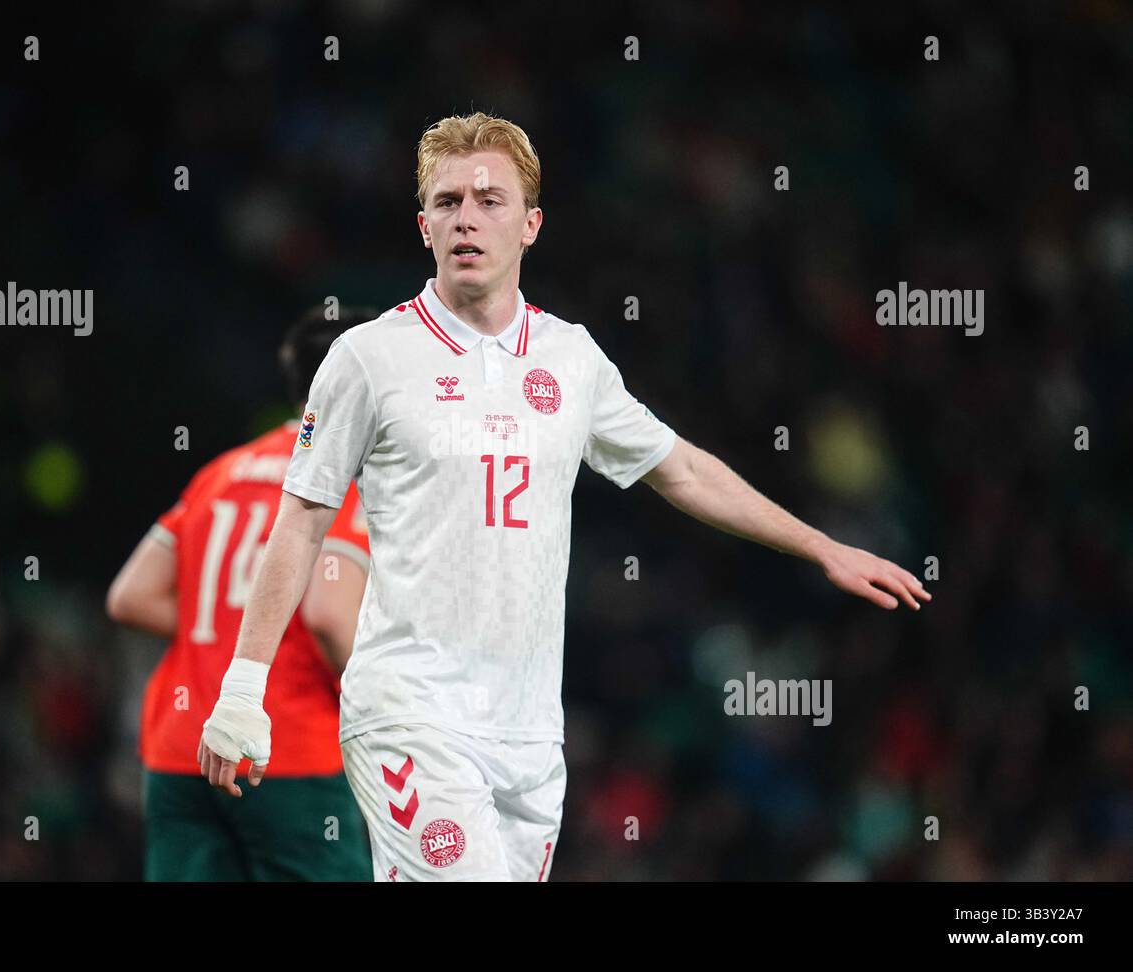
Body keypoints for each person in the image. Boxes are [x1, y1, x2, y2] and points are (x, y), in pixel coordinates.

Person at [197, 112, 932, 882]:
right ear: (423, 227)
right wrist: (243, 690)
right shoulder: (369, 357)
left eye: (490, 200)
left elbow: (679, 469)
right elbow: (301, 521)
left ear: (532, 224)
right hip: (410, 712)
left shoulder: (571, 360)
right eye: (447, 203)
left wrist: (820, 545)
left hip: (529, 740)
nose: (467, 219)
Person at [107, 305, 378, 880]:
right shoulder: (342, 482)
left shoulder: (222, 473)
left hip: (180, 750)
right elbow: (329, 617)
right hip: (289, 749)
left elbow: (129, 596)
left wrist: (230, 637)